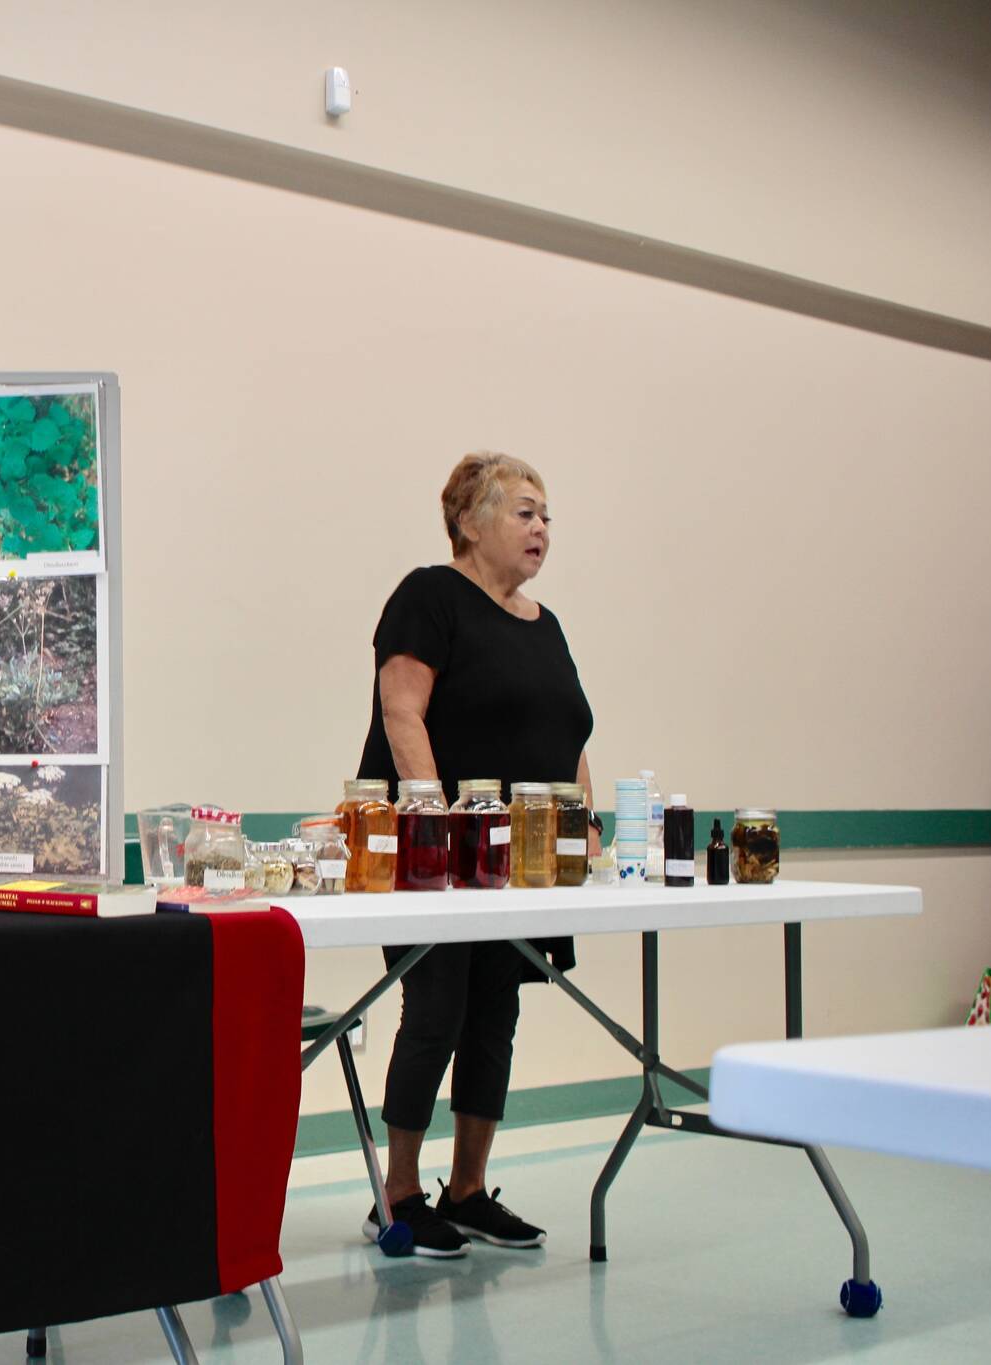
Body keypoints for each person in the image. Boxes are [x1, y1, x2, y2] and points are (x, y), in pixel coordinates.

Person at [355, 450, 599, 1258]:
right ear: (469, 520)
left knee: (498, 1009)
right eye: (524, 511)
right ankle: (398, 1192)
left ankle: (466, 1189)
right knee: (436, 1010)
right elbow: (402, 711)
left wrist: (586, 824)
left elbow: (571, 734)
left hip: (522, 860)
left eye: (546, 516)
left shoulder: (547, 624)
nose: (541, 528)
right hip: (438, 855)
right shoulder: (431, 596)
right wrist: (439, 822)